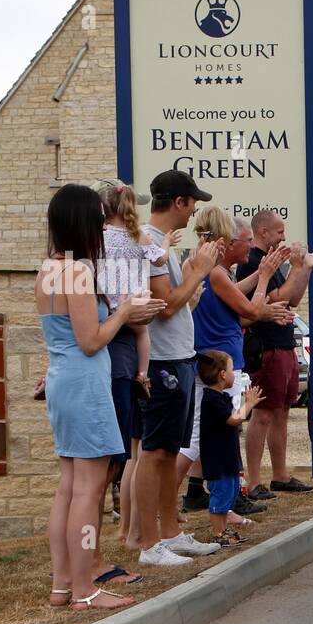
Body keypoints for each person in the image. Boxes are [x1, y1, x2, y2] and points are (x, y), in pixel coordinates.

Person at [38, 183, 163, 610]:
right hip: (86, 382)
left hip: (61, 378)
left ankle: (61, 585)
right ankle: (84, 590)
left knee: (68, 488)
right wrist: (126, 312)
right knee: (88, 491)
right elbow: (91, 340)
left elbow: (63, 335)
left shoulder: (49, 269)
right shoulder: (78, 272)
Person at [132, 169, 223, 566]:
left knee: (169, 451)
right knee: (154, 452)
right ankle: (149, 543)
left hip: (179, 356)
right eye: (192, 204)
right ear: (179, 202)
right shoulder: (149, 243)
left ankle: (170, 533)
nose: (193, 213)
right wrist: (198, 273)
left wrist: (190, 281)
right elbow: (165, 304)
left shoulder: (160, 245)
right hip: (163, 361)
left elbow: (176, 303)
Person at [179, 209, 291, 518]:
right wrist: (266, 277)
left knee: (204, 436)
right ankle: (221, 497)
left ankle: (215, 497)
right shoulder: (214, 270)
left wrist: (264, 270)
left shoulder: (200, 265)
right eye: (244, 240)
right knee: (210, 436)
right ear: (225, 241)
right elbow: (251, 311)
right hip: (219, 364)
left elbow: (232, 294)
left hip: (212, 359)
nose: (248, 246)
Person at [94, 178, 175, 583]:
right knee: (143, 334)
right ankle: (144, 374)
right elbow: (157, 259)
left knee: (121, 455)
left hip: (111, 305)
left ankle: (114, 537)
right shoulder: (134, 234)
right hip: (130, 311)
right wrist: (169, 249)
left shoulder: (94, 242)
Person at [236, 209, 313, 500]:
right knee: (262, 412)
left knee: (282, 413)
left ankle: (280, 474)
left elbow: (293, 299)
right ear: (263, 232)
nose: (283, 238)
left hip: (284, 344)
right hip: (265, 347)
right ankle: (254, 479)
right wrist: (297, 266)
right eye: (279, 233)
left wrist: (305, 268)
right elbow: (276, 298)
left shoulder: (272, 263)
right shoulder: (252, 261)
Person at [197, 351, 263, 546]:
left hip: (227, 458)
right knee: (221, 495)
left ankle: (224, 529)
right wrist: (249, 404)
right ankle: (219, 533)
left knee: (231, 491)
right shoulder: (211, 399)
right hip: (217, 460)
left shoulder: (221, 397)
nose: (234, 373)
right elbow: (234, 419)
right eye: (231, 368)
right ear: (222, 374)